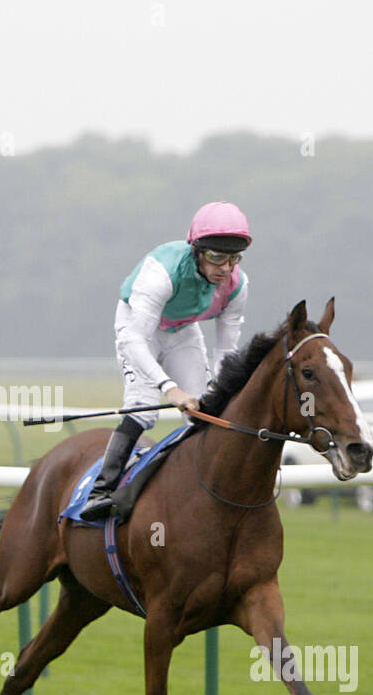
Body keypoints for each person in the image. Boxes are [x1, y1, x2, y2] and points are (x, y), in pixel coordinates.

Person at [79, 201, 252, 521]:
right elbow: (134, 339)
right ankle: (101, 491)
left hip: (183, 330)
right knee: (143, 408)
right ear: (196, 250)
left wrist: (219, 394)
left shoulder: (236, 286)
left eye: (233, 258)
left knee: (203, 410)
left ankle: (200, 485)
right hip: (138, 329)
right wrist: (170, 389)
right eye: (216, 256)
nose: (225, 268)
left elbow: (226, 352)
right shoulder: (162, 272)